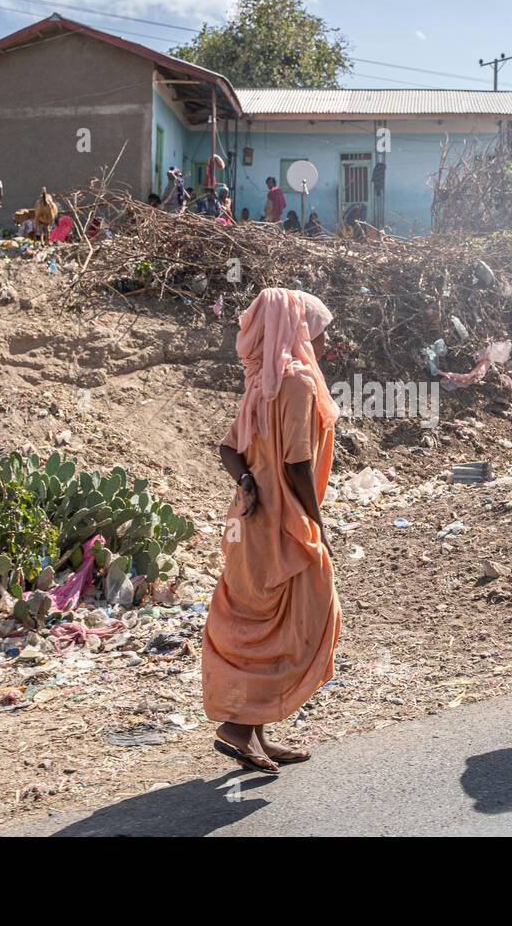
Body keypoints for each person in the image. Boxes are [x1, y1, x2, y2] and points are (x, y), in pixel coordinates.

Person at [204, 287, 342, 774]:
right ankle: (238, 729)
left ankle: (256, 732)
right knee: (308, 610)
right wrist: (318, 524)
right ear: (300, 330)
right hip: (283, 523)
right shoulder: (298, 383)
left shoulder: (260, 382)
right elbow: (299, 462)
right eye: (320, 330)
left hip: (247, 525)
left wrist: (247, 484)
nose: (324, 341)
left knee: (260, 620)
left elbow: (228, 450)